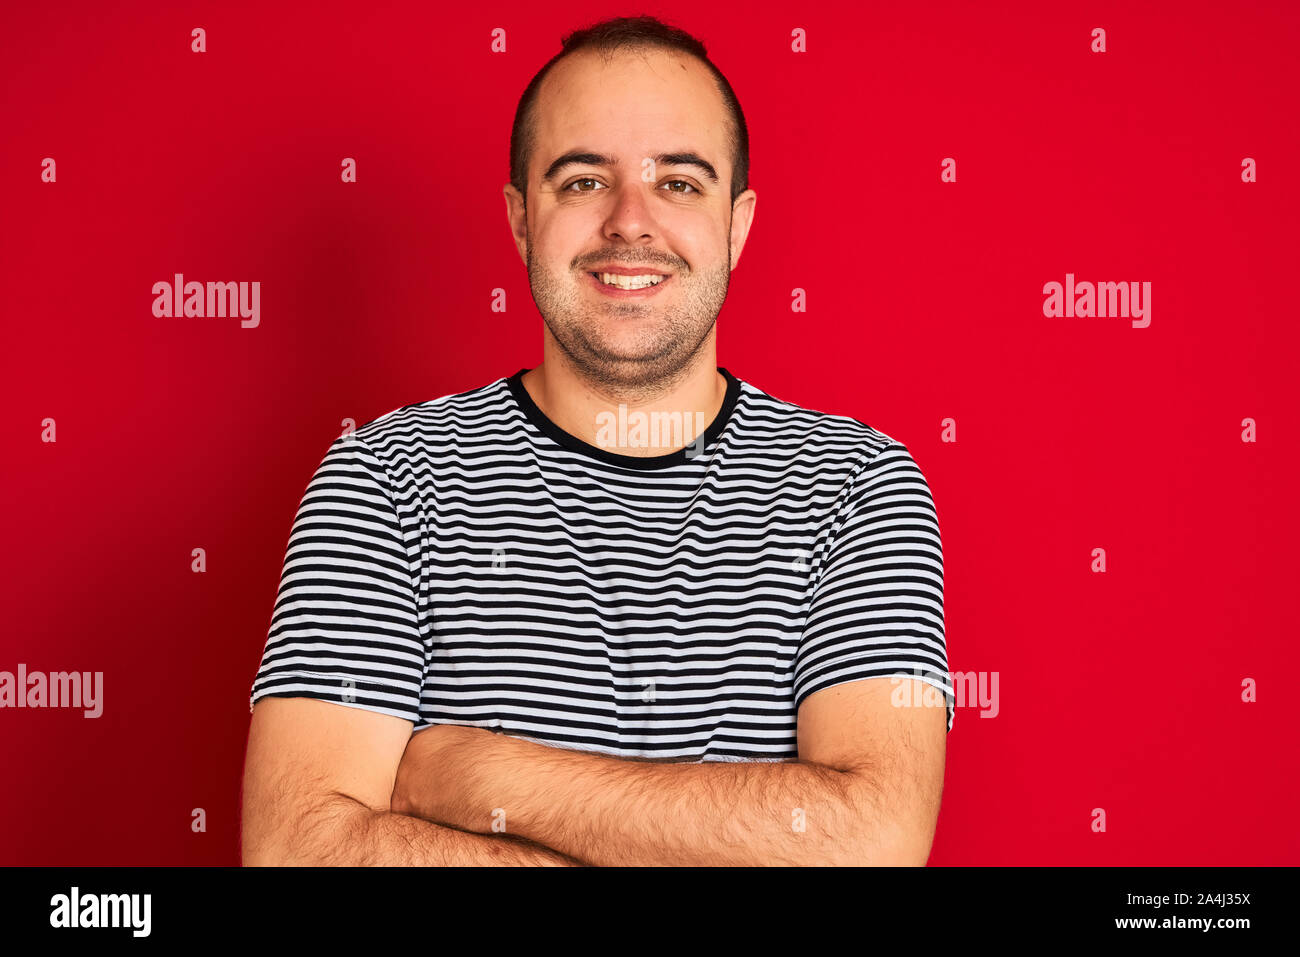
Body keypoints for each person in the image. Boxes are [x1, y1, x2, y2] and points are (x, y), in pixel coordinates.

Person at [241, 14, 952, 867]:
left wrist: (482, 774)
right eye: (582, 181)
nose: (629, 222)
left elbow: (873, 843)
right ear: (518, 220)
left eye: (681, 183)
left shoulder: (858, 483)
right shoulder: (383, 478)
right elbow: (298, 853)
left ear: (737, 224)